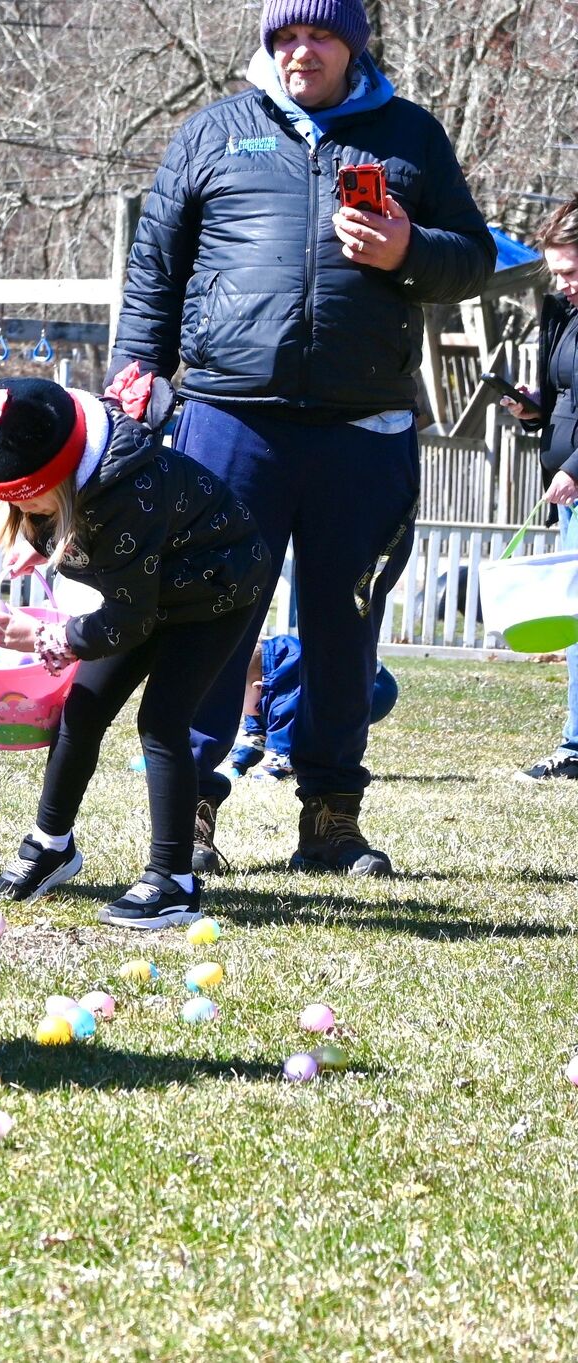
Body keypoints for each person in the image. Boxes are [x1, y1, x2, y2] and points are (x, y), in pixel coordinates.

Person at [111, 0, 495, 878]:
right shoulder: (214, 132)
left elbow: (473, 256)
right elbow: (155, 267)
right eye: (282, 37)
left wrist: (407, 249)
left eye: (316, 35)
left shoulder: (410, 136)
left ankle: (330, 821)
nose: (298, 52)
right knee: (211, 614)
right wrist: (138, 366)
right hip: (226, 420)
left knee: (342, 625)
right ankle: (190, 813)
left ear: (351, 45)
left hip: (363, 428)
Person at [0, 363, 271, 929]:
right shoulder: (79, 482)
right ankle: (51, 845)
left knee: (162, 723)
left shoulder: (128, 491)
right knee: (84, 706)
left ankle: (173, 880)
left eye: (32, 505)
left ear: (64, 478)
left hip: (217, 589)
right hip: (153, 586)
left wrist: (49, 638)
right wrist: (42, 541)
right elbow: (97, 546)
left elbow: (127, 619)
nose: (27, 517)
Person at [502, 197, 578, 783]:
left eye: (572, 271)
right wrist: (534, 413)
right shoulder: (563, 313)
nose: (563, 283)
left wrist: (575, 465)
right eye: (557, 271)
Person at [229, 635, 398, 781]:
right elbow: (255, 731)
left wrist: (271, 769)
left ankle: (328, 761)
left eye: (235, 700)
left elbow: (284, 730)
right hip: (344, 683)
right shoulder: (263, 688)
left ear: (258, 687)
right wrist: (237, 764)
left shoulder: (287, 694)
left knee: (319, 722)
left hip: (371, 688)